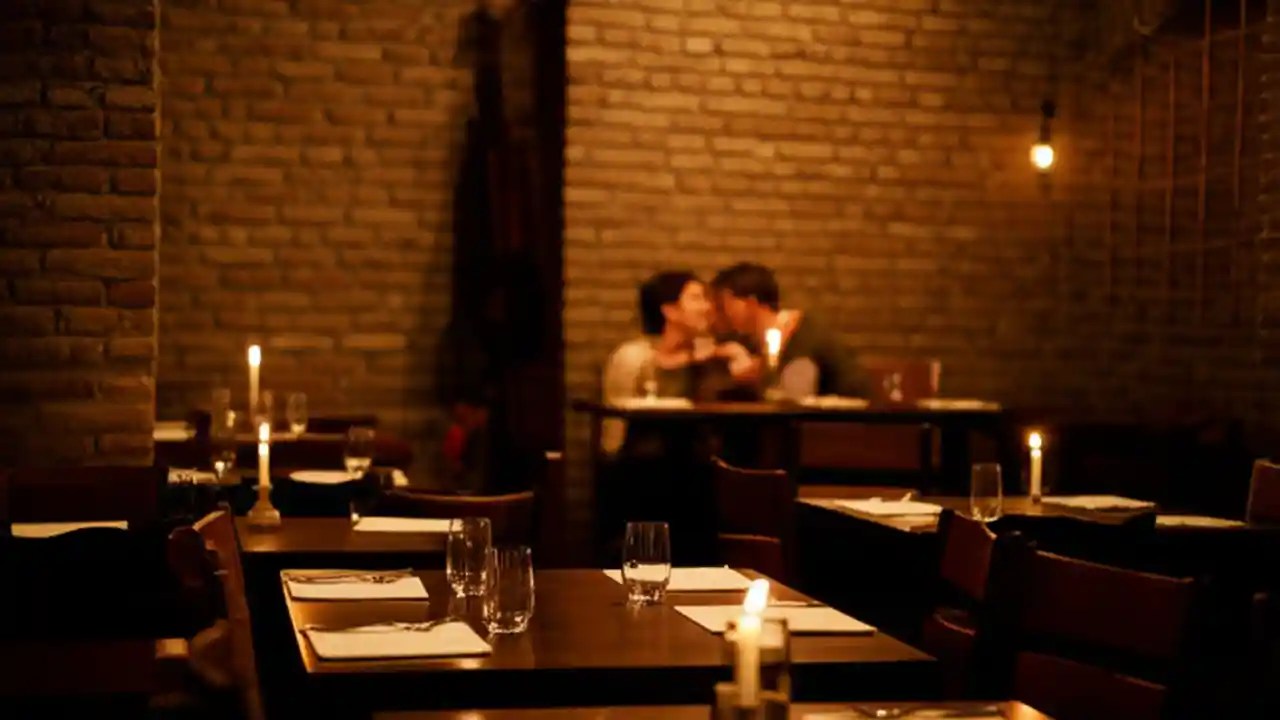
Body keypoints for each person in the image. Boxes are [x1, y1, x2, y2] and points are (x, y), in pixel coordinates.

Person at [711, 262, 867, 398]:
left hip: (844, 423)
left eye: (725, 304)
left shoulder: (802, 335)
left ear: (751, 303)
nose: (722, 312)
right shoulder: (762, 339)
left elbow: (793, 395)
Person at [599, 270, 714, 454]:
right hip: (637, 462)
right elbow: (615, 427)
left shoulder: (704, 357)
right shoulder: (632, 357)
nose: (706, 307)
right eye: (696, 298)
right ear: (670, 310)